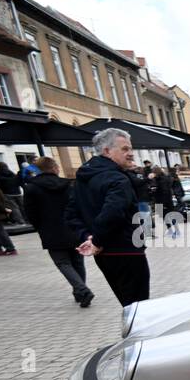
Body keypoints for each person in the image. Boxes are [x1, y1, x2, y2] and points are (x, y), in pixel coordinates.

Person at [65, 127, 149, 306]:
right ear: (107, 151)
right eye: (125, 149)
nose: (131, 154)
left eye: (130, 149)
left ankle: (135, 332)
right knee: (139, 307)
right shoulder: (117, 179)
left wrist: (88, 237)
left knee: (129, 304)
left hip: (105, 254)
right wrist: (95, 241)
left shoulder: (84, 176)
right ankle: (139, 335)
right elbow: (112, 213)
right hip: (125, 250)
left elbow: (71, 215)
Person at [24, 157, 94, 306]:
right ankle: (80, 291)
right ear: (54, 167)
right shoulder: (69, 184)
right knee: (77, 261)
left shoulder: (31, 188)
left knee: (62, 262)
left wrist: (39, 227)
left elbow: (30, 213)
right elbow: (79, 205)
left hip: (50, 231)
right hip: (73, 228)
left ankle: (81, 290)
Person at [0, 161, 25, 225]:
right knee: (22, 206)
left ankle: (21, 221)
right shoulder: (12, 173)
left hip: (8, 194)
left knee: (14, 208)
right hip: (17, 192)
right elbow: (17, 181)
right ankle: (28, 219)